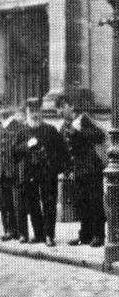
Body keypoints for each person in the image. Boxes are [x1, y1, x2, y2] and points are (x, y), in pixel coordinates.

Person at [15, 97, 69, 247]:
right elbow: (15, 153)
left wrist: (59, 168)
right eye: (31, 111)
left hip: (47, 172)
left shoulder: (50, 130)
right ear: (27, 112)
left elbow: (62, 151)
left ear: (41, 111)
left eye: (37, 111)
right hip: (30, 173)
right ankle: (38, 234)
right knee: (32, 205)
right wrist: (26, 145)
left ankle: (49, 235)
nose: (35, 114)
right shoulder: (22, 131)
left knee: (49, 204)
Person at [59, 96, 106, 248]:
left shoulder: (83, 120)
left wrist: (78, 132)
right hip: (77, 171)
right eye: (58, 108)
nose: (59, 111)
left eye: (62, 106)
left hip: (92, 169)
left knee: (95, 203)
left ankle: (99, 235)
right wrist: (66, 169)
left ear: (71, 107)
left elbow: (99, 136)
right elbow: (64, 151)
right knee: (81, 204)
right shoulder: (64, 127)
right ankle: (85, 236)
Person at [0, 105, 19, 240]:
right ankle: (7, 229)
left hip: (12, 170)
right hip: (1, 170)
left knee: (13, 201)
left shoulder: (16, 126)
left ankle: (15, 230)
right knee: (3, 202)